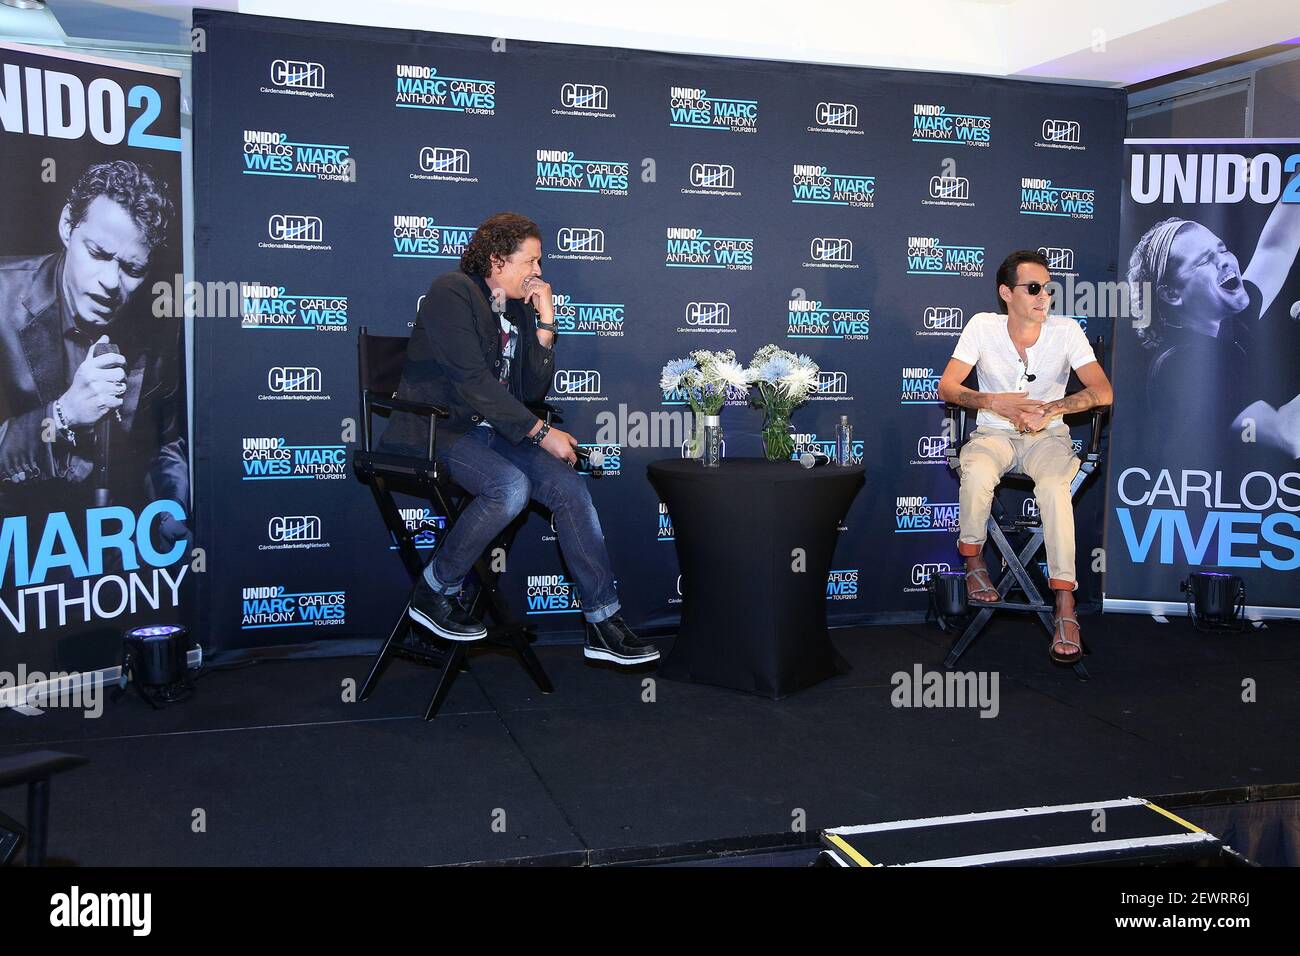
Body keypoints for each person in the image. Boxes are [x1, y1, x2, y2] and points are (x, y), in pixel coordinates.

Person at [381, 212, 658, 665]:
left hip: (495, 432)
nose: (538, 272)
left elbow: (529, 392)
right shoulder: (451, 291)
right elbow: (471, 380)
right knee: (509, 488)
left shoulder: (513, 306)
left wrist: (545, 323)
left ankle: (602, 621)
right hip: (440, 430)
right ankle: (434, 591)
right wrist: (541, 432)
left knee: (570, 489)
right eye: (530, 260)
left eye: (539, 262)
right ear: (496, 258)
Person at [937, 249, 1113, 663]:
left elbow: (1103, 392)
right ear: (1006, 293)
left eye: (1047, 288)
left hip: (1047, 438)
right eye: (1032, 288)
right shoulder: (982, 326)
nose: (1043, 296)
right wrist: (994, 402)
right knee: (976, 469)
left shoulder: (1067, 330)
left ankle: (1065, 605)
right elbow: (947, 387)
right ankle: (974, 558)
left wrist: (1050, 409)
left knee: (1055, 487)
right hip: (993, 433)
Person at [0, 160, 188, 542]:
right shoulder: (3, 300)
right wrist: (64, 415)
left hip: (120, 552)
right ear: (68, 225)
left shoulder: (161, 322)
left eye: (132, 269)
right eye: (98, 254)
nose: (109, 283)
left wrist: (171, 508)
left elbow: (166, 441)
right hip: (18, 555)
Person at [1130, 183, 1300, 462]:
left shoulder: (1226, 322)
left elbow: (1277, 247)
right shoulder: (1179, 363)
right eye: (1204, 261)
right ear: (1172, 294)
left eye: (1222, 250)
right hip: (1200, 500)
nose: (1225, 262)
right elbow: (1287, 435)